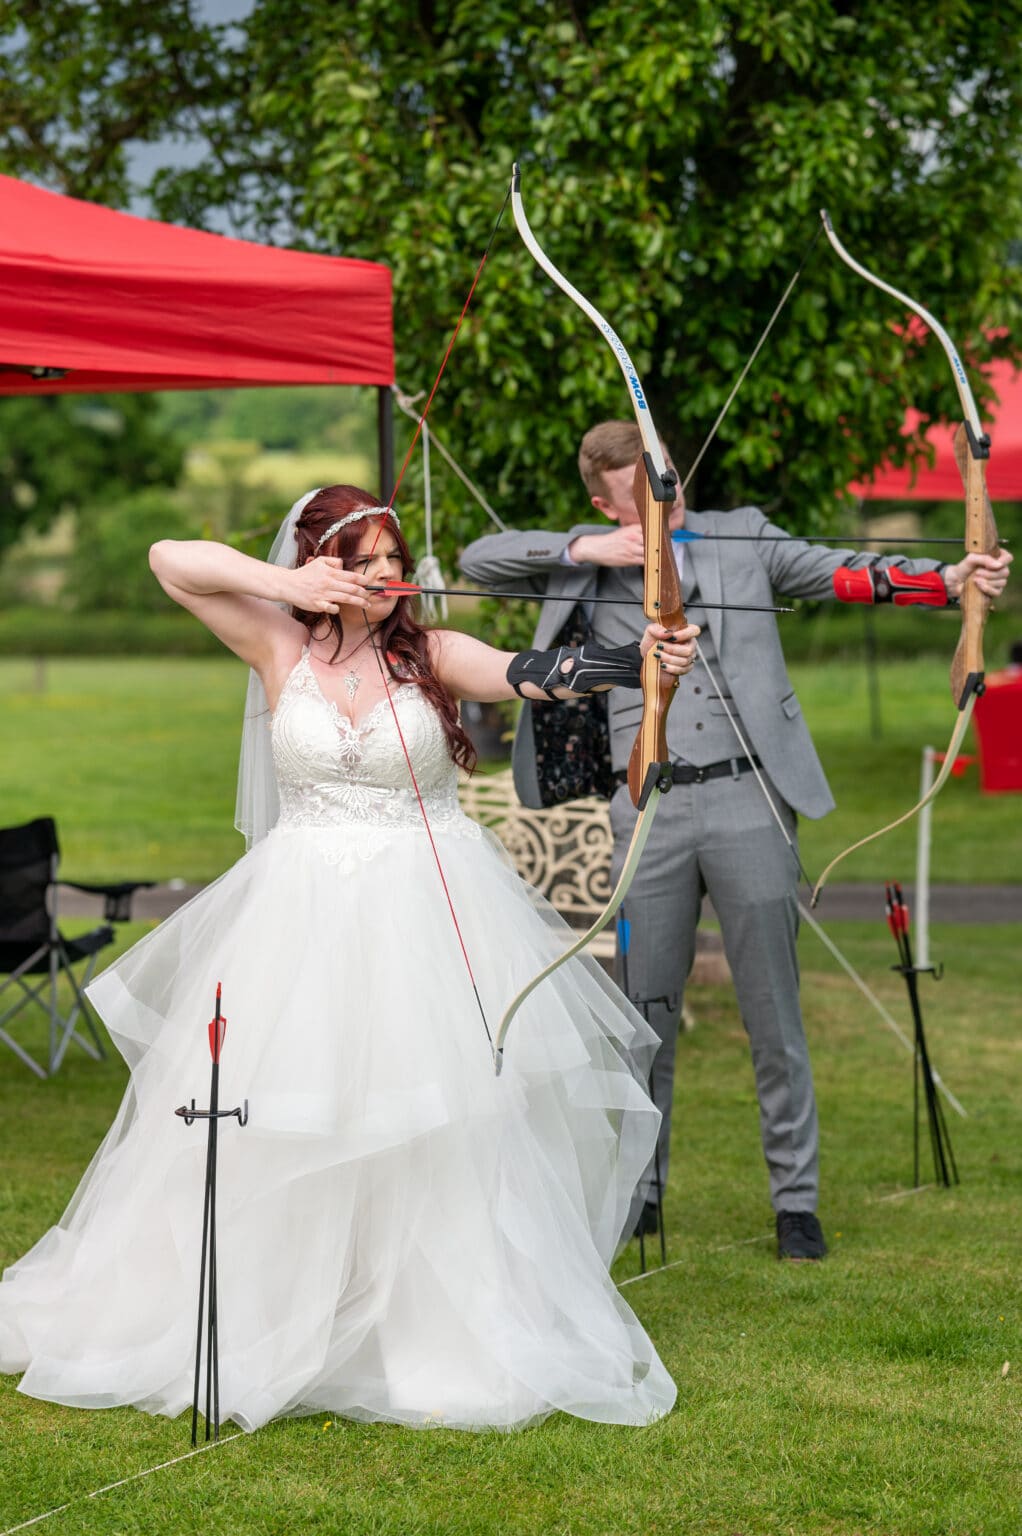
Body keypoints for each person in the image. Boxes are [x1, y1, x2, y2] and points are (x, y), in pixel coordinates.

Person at [0, 485, 700, 1434]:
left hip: (428, 903)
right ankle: (282, 1314)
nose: (383, 575)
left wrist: (639, 659)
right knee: (296, 1115)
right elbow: (171, 559)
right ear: (324, 563)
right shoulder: (277, 643)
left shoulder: (431, 653)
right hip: (301, 914)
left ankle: (426, 1331)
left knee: (434, 1117)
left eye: (390, 558)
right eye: (362, 559)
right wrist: (289, 582)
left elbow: (539, 672)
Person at [460, 421, 1013, 1262]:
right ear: (604, 500)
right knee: (644, 1013)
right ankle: (641, 1193)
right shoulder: (584, 559)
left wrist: (951, 579)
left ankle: (796, 1204)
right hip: (647, 808)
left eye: (669, 478)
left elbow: (843, 572)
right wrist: (594, 547)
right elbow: (478, 559)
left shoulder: (740, 534)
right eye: (642, 490)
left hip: (750, 800)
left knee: (774, 1013)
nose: (666, 497)